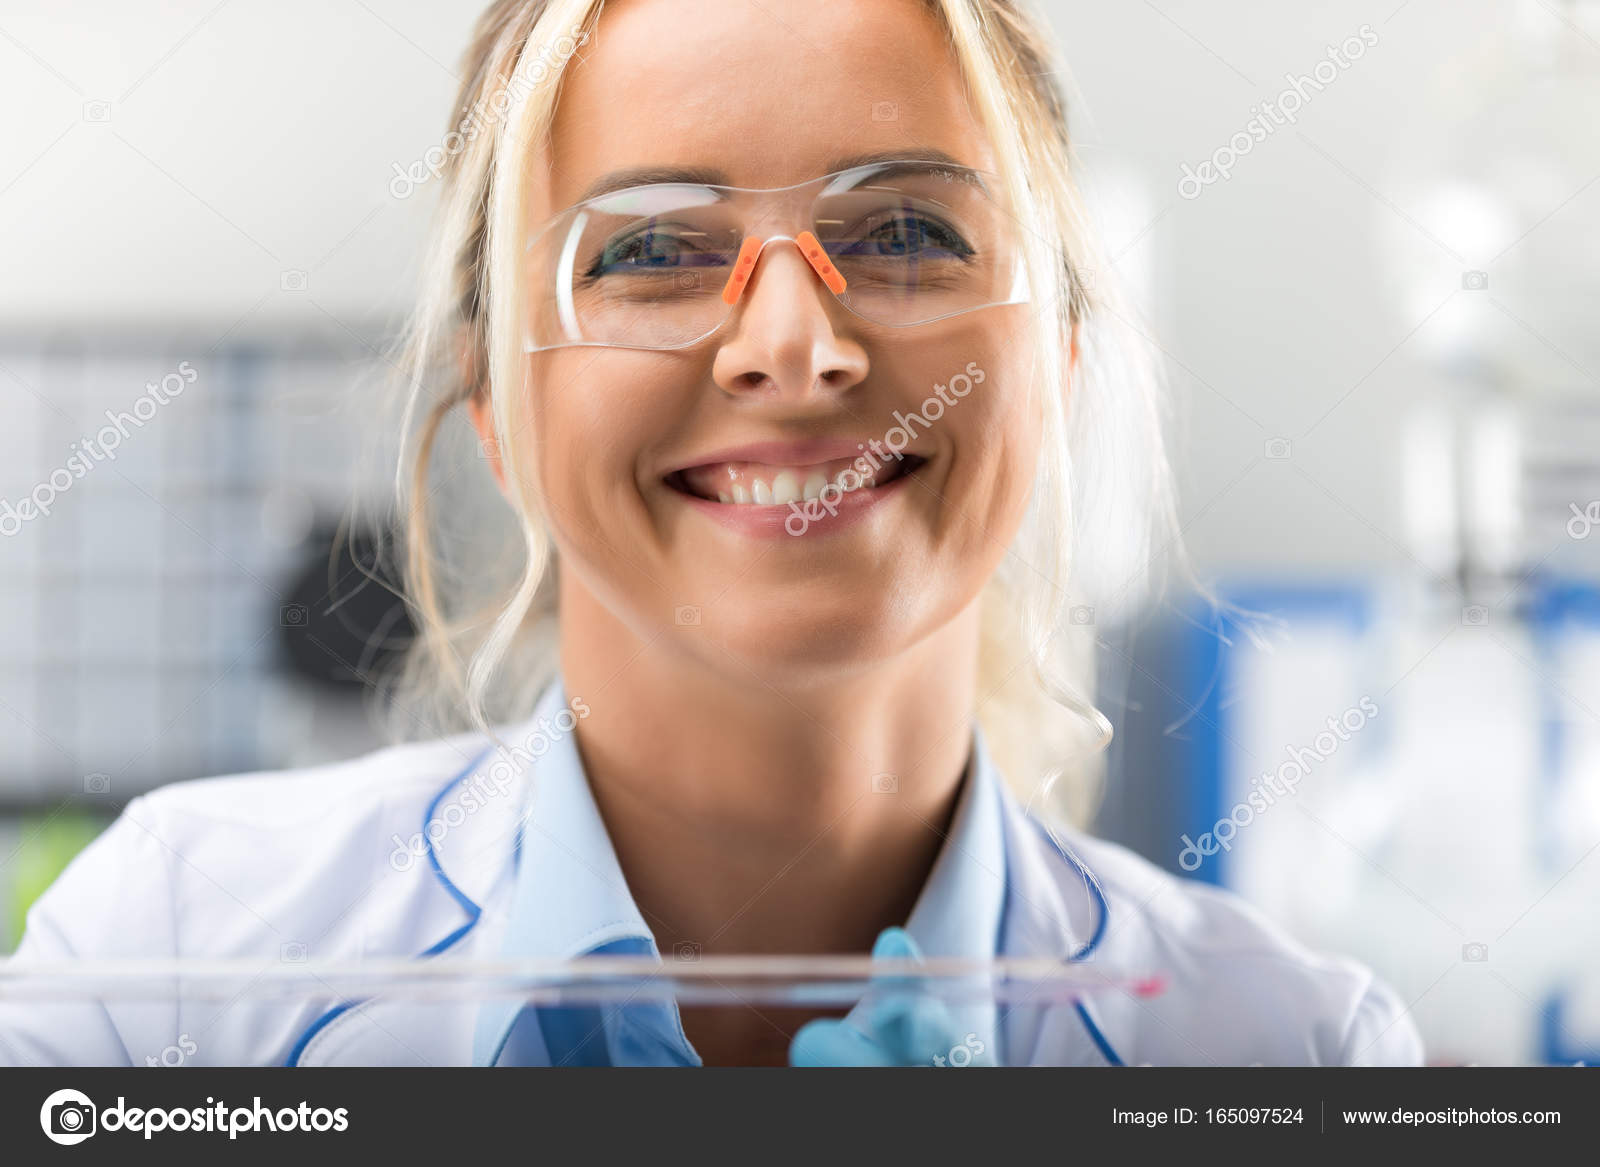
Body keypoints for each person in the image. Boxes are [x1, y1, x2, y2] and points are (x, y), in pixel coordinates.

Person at [0, 0, 1422, 1067]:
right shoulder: (169, 974)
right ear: (494, 403)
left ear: (1055, 360)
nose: (794, 348)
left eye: (910, 233)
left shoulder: (1287, 1053)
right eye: (653, 253)